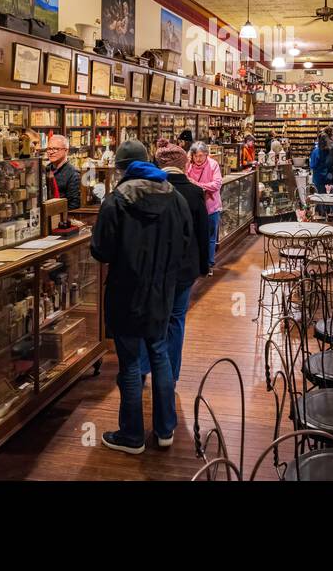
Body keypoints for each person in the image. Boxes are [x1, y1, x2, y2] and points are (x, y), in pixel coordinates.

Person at [91, 139, 192, 454]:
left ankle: (132, 435)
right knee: (160, 355)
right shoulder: (174, 197)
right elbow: (185, 243)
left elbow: (101, 251)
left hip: (125, 293)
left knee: (131, 363)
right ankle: (165, 430)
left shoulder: (115, 201)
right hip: (161, 291)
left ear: (121, 168)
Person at [138, 141, 210, 383]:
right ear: (184, 163)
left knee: (152, 316)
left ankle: (144, 367)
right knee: (176, 318)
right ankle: (170, 374)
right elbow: (203, 232)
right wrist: (203, 265)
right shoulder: (194, 192)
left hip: (155, 268)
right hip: (184, 268)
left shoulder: (148, 190)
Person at [187, 141, 223, 274]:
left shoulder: (213, 165)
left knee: (210, 236)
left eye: (201, 156)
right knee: (195, 235)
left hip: (211, 206)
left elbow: (217, 184)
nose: (198, 159)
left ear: (206, 155)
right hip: (194, 206)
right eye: (195, 156)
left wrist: (197, 184)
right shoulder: (188, 166)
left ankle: (208, 264)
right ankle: (196, 263)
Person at [44, 134, 81, 209]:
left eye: (55, 149)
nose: (51, 152)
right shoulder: (45, 170)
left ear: (66, 150)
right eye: (49, 149)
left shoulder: (73, 174)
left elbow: (73, 205)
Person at [309, 127, 333, 194]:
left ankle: (320, 205)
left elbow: (313, 165)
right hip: (328, 177)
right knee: (328, 195)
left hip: (318, 177)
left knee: (319, 196)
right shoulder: (330, 150)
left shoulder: (316, 151)